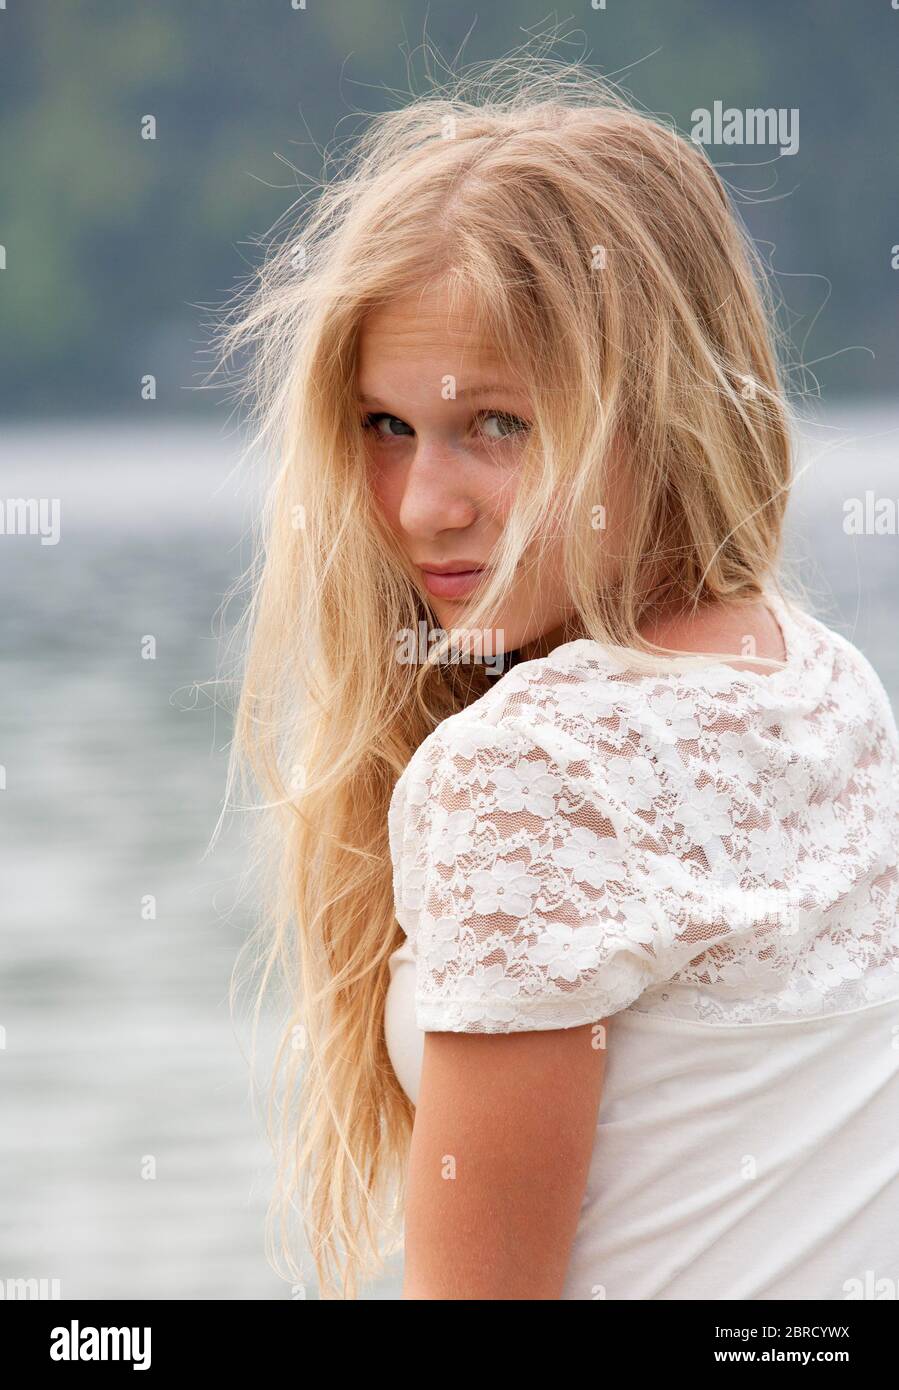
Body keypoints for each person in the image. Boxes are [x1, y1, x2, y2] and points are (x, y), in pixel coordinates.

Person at [216, 51, 899, 1300]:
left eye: (497, 424)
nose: (423, 505)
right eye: (386, 427)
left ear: (660, 407)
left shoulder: (524, 771)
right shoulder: (825, 685)